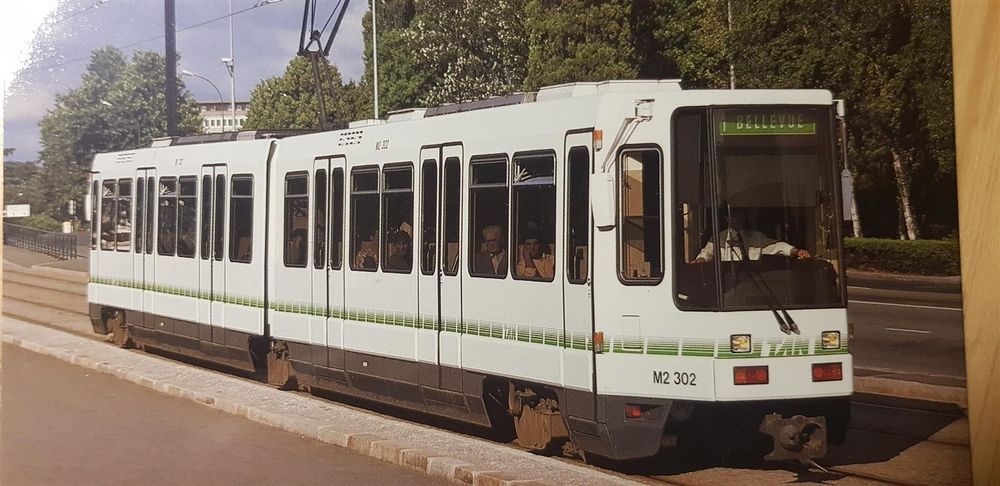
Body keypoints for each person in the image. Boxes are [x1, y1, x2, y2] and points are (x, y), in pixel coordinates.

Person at [695, 209, 810, 263]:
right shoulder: (718, 239)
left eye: (741, 215)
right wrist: (700, 260)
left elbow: (777, 246)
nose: (738, 219)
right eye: (734, 216)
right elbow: (706, 253)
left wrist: (795, 251)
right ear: (727, 218)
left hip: (753, 284)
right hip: (727, 287)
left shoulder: (756, 238)